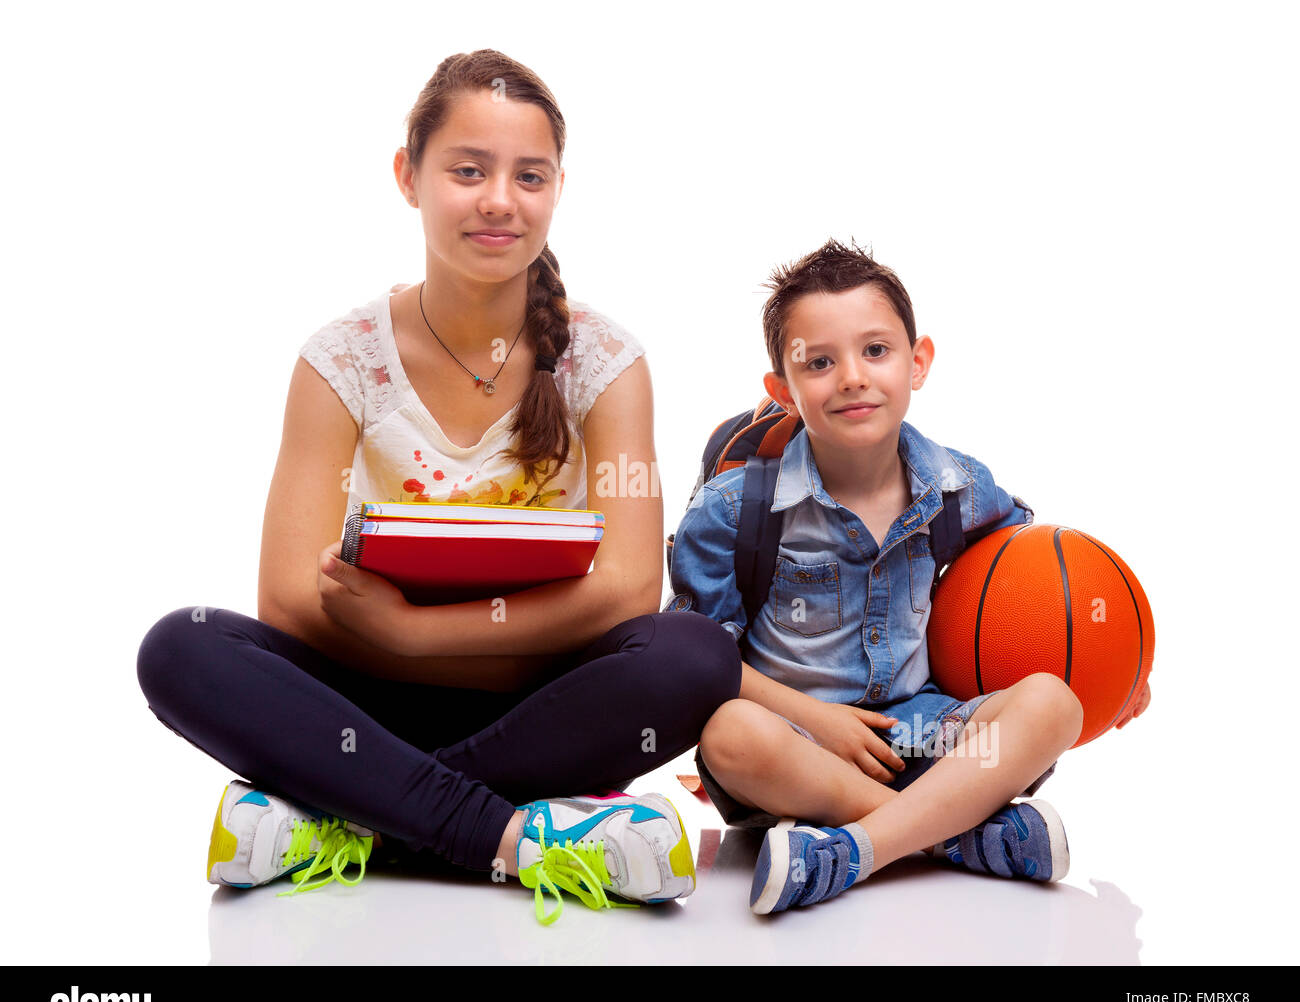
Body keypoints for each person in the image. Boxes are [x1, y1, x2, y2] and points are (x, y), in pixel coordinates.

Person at [136, 50, 740, 927]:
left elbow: (626, 590)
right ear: (408, 177)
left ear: (557, 189)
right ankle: (515, 836)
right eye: (468, 170)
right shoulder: (340, 358)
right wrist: (395, 647)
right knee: (178, 647)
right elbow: (284, 598)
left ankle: (347, 818)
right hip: (365, 695)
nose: (499, 199)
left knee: (694, 654)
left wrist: (422, 633)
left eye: (528, 176)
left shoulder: (608, 361)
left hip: (542, 700)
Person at [665, 238, 1153, 914]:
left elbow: (1038, 578)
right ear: (781, 389)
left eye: (876, 351)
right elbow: (695, 660)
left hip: (919, 739)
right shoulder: (733, 508)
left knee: (1054, 702)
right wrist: (823, 723)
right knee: (726, 734)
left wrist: (1119, 668)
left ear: (917, 362)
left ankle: (852, 850)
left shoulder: (957, 486)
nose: (853, 378)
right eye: (819, 362)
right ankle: (958, 838)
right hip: (796, 750)